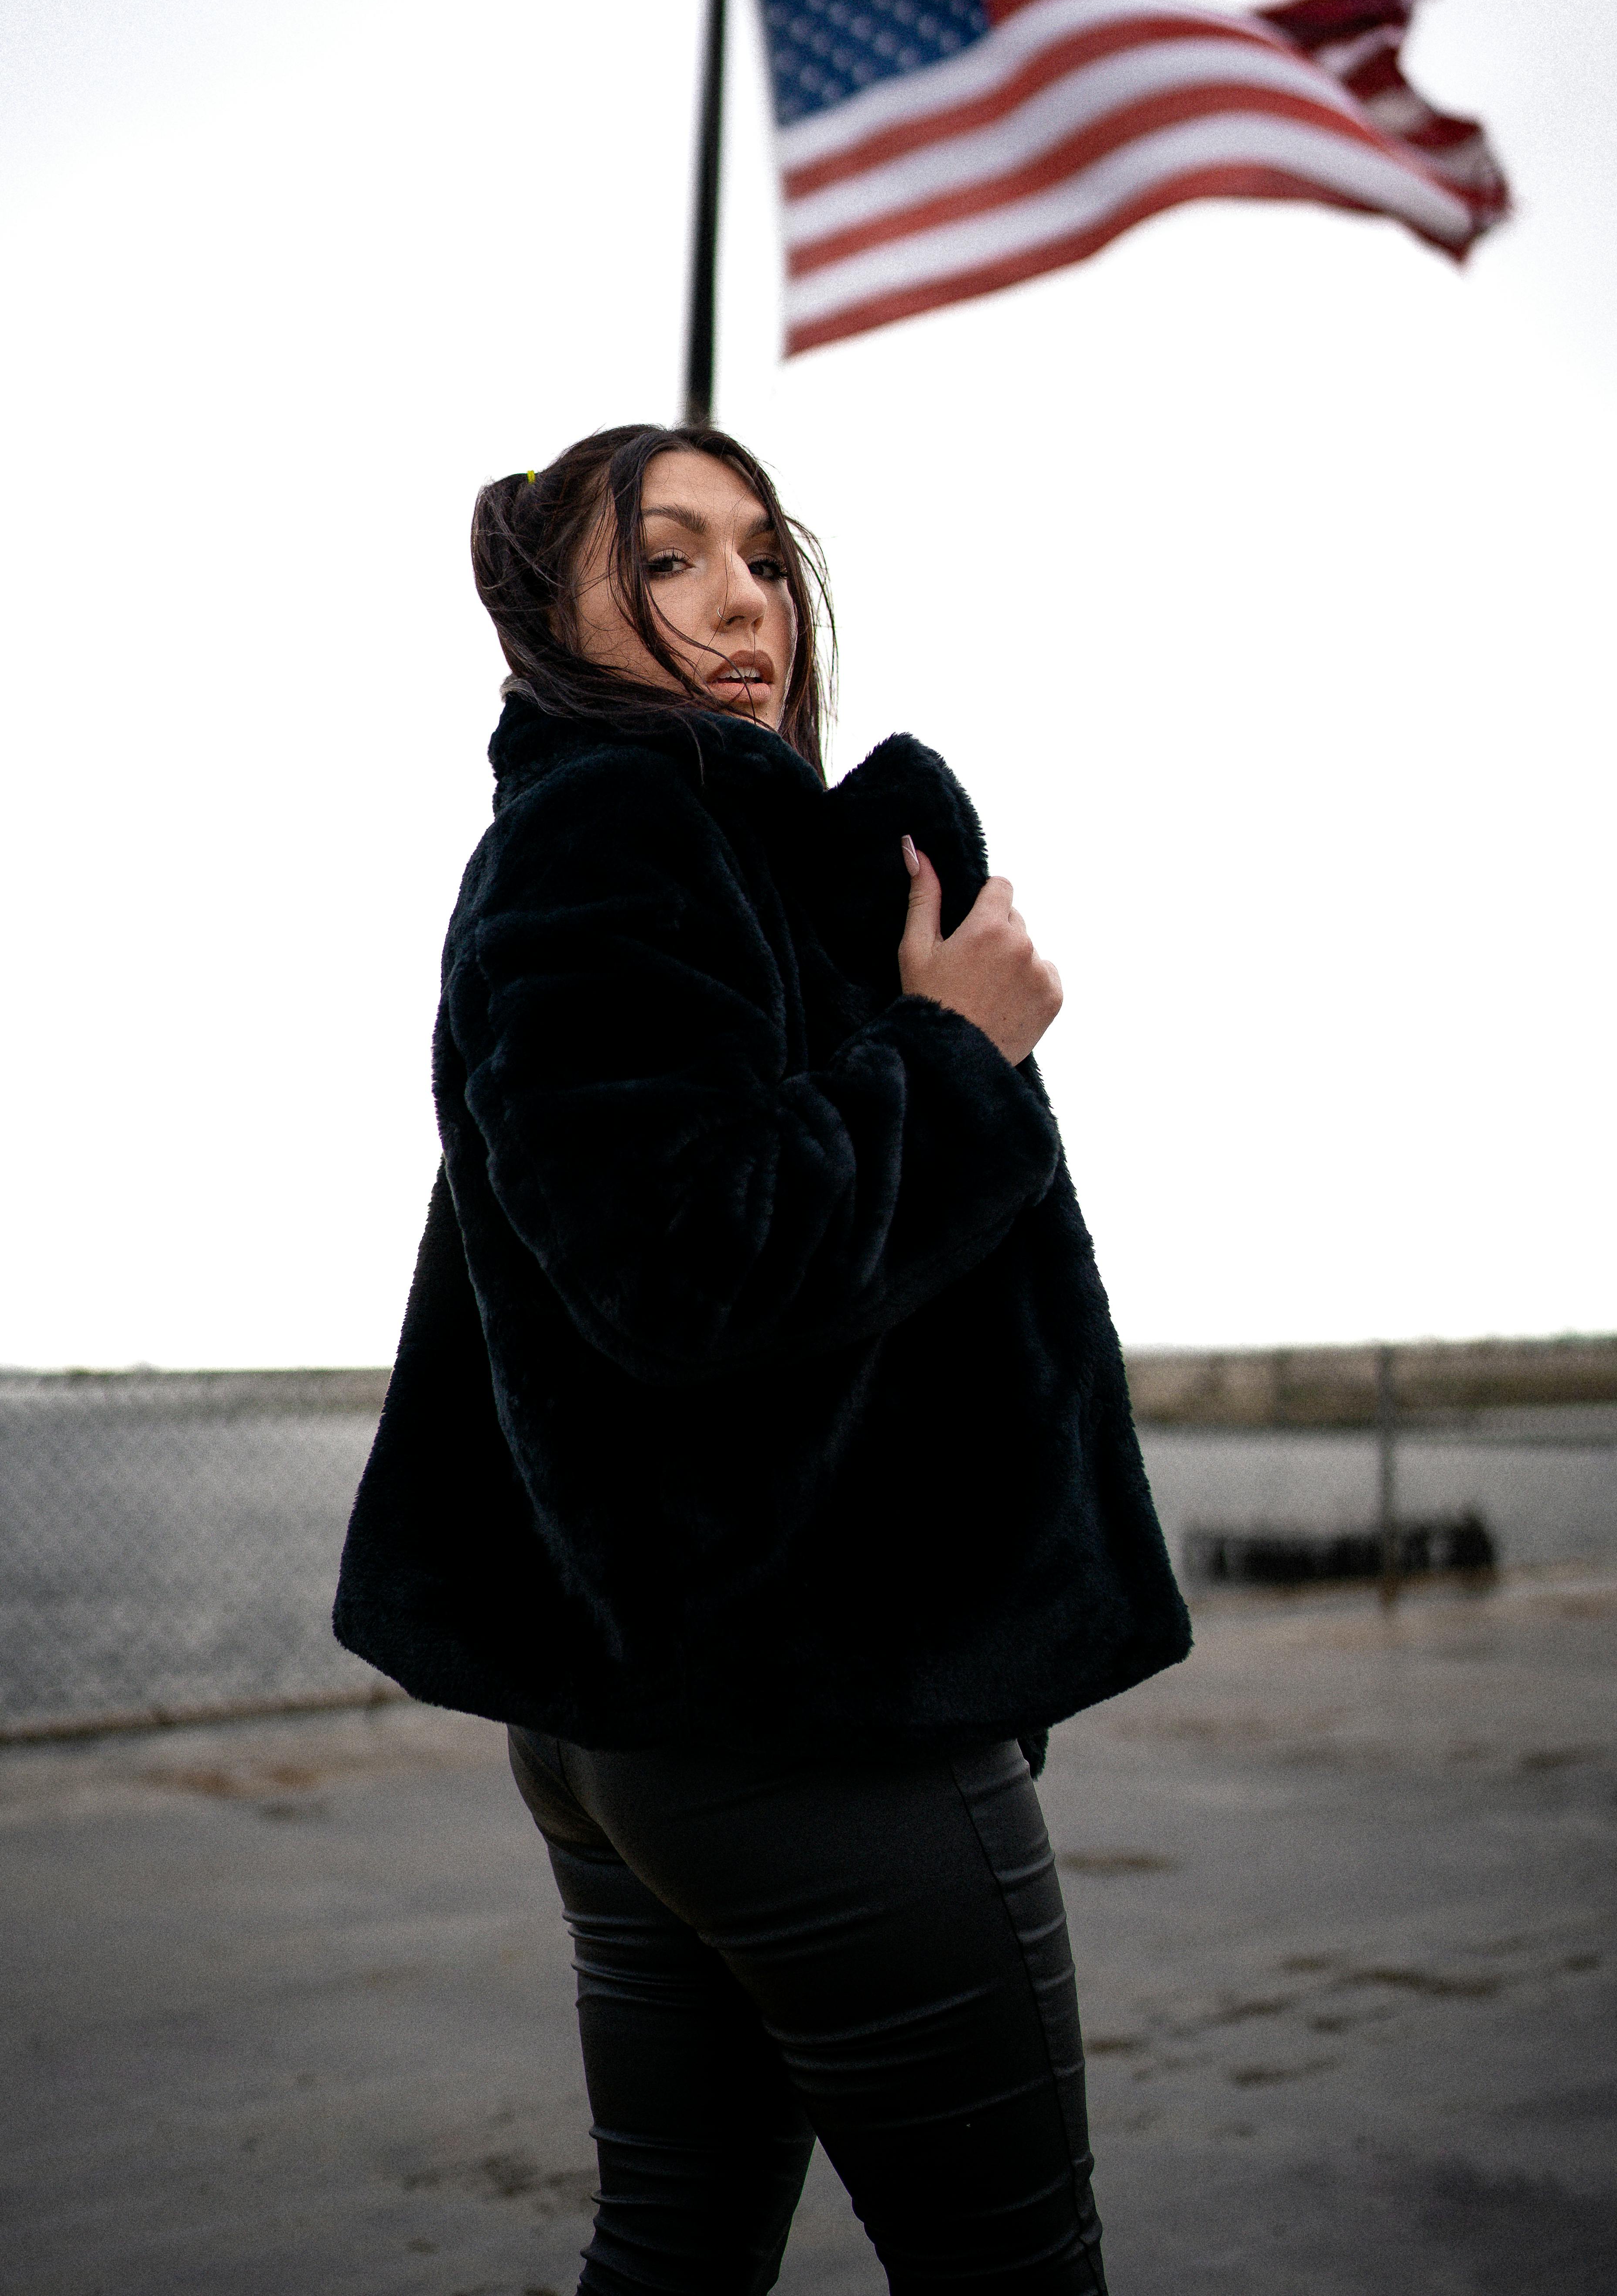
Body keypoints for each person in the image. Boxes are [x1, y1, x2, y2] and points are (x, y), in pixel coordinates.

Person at [334, 422, 1190, 2295]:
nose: (743, 600)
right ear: (543, 621)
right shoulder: (615, 826)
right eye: (663, 559)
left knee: (675, 2253)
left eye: (759, 553)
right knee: (1017, 2266)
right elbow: (684, 1262)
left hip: (651, 1703)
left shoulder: (682, 835)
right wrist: (962, 1053)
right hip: (804, 1717)